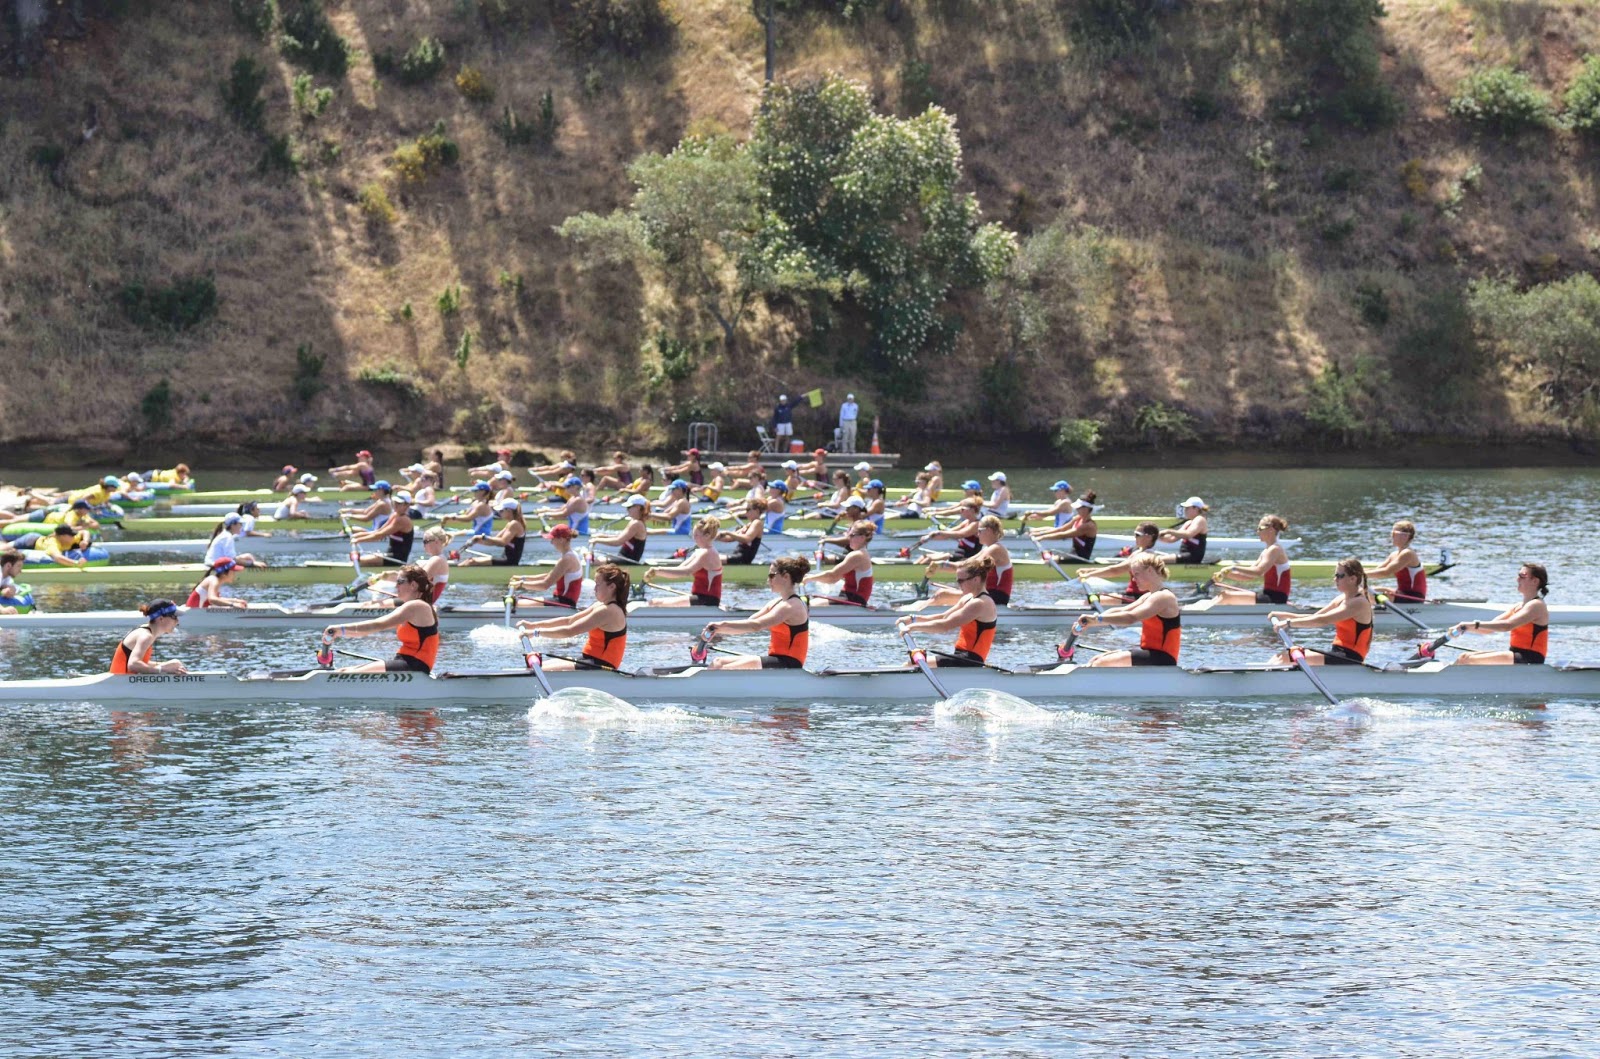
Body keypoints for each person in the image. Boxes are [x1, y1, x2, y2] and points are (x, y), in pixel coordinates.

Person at [324, 565, 439, 673]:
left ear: (413, 585)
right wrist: (340, 633)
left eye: (400, 582)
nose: (396, 586)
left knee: (344, 673)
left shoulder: (416, 606)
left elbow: (377, 625)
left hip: (415, 665)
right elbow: (364, 632)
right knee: (344, 671)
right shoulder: (412, 606)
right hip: (405, 661)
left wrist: (340, 629)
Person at [1073, 554, 1184, 667]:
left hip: (1163, 658)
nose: (1133, 579)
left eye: (1136, 574)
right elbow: (1120, 611)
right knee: (1096, 659)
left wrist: (1098, 619)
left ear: (1150, 570)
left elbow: (1130, 617)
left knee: (1100, 663)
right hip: (1150, 653)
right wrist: (1090, 622)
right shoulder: (1148, 596)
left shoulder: (1164, 597)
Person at [702, 556, 811, 669]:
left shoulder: (792, 606)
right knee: (718, 662)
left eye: (771, 576)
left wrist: (722, 625)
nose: (768, 580)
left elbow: (756, 626)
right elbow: (749, 623)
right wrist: (717, 630)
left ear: (786, 577)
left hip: (788, 664)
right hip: (775, 660)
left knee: (725, 670)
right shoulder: (775, 603)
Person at [517, 563, 631, 671]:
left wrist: (535, 633)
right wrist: (532, 625)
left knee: (536, 669)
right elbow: (569, 621)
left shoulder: (609, 611)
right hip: (589, 661)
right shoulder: (600, 605)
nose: (594, 588)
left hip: (601, 668)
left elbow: (569, 631)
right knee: (534, 668)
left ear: (611, 587)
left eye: (598, 584)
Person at [1268, 557, 1374, 666]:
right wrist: (1287, 616)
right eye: (1335, 575)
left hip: (1350, 658)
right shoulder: (1342, 598)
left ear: (1353, 579)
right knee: (1280, 656)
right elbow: (1316, 616)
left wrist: (1288, 623)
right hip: (1337, 653)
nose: (1335, 579)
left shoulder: (1358, 603)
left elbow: (1322, 620)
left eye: (1340, 576)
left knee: (1285, 658)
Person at [896, 556, 999, 666]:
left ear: (976, 579)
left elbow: (945, 625)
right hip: (960, 656)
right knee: (913, 662)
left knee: (910, 664)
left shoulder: (980, 604)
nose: (958, 585)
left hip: (971, 661)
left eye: (961, 581)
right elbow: (944, 616)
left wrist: (913, 627)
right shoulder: (968, 598)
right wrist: (913, 619)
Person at [1448, 563, 1551, 665]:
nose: (1517, 579)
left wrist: (1471, 625)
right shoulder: (1517, 606)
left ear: (1535, 581)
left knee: (1468, 660)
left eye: (1522, 576)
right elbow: (1489, 629)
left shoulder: (1537, 605)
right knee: (1464, 657)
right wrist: (1463, 629)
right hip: (1515, 655)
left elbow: (1507, 625)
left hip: (1529, 659)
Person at [923, 514, 1013, 605]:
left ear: (988, 531)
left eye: (979, 531)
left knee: (942, 595)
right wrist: (939, 564)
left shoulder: (996, 549)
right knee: (942, 594)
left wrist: (942, 564)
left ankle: (920, 614)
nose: (977, 535)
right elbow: (963, 565)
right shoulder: (987, 549)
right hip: (986, 594)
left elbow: (971, 567)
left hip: (996, 598)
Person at [643, 517, 725, 606]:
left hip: (707, 600)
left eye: (696, 535)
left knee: (656, 603)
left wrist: (657, 571)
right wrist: (656, 572)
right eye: (693, 535)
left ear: (707, 536)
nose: (694, 538)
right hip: (700, 598)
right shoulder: (700, 551)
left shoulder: (707, 553)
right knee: (654, 602)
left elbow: (686, 571)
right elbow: (680, 569)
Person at [1212, 515, 1293, 604]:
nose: (1258, 532)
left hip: (1276, 598)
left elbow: (1258, 571)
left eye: (1260, 528)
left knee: (1226, 596)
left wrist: (1233, 567)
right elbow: (1247, 576)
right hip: (1268, 596)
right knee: (1223, 594)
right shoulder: (1266, 551)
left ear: (1271, 529)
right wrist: (1225, 575)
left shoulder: (1275, 549)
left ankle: (1203, 615)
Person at [1075, 521, 1161, 604]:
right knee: (1093, 598)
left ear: (1149, 537)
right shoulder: (1137, 552)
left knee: (1090, 600)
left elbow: (1115, 571)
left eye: (1137, 535)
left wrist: (1089, 575)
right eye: (1134, 534)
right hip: (1131, 595)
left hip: (1139, 598)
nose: (1135, 537)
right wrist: (1089, 571)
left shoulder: (1145, 556)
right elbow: (1117, 568)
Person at [508, 525, 585, 609]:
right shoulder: (570, 555)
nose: (551, 542)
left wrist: (520, 584)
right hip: (560, 600)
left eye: (552, 539)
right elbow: (549, 576)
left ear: (561, 540)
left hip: (564, 603)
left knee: (514, 604)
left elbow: (545, 585)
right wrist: (522, 578)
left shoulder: (567, 559)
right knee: (516, 601)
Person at [372, 526, 452, 604]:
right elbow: (410, 578)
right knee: (372, 603)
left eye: (426, 541)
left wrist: (392, 577)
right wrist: (384, 576)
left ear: (436, 541)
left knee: (373, 604)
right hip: (417, 601)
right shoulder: (434, 560)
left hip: (420, 604)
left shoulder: (437, 560)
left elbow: (417, 581)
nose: (424, 545)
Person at [804, 520, 876, 606]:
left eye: (852, 535)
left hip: (854, 600)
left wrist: (808, 578)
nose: (849, 538)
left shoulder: (858, 555)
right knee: (812, 601)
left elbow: (832, 576)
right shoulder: (861, 554)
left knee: (809, 605)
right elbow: (835, 578)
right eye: (849, 534)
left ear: (862, 537)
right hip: (849, 597)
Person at [110, 599, 188, 675]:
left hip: (123, 681)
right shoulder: (146, 636)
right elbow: (133, 664)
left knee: (174, 664)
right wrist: (163, 669)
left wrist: (168, 665)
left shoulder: (145, 630)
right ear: (161, 618)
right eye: (174, 617)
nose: (177, 621)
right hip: (121, 684)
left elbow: (141, 663)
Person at [349, 490, 417, 566]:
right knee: (355, 559)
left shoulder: (403, 520)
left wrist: (358, 540)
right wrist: (357, 536)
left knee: (357, 561)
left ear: (406, 505)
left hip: (397, 559)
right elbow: (378, 531)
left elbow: (380, 535)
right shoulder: (394, 515)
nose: (395, 505)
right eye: (395, 502)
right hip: (389, 554)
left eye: (399, 503)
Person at [1368, 520, 1428, 602]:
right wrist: (1356, 572)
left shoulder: (1408, 554)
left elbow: (1386, 572)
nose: (1391, 536)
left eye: (1394, 533)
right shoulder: (1394, 554)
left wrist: (1360, 574)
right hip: (1402, 593)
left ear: (1405, 536)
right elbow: (1377, 571)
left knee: (1370, 592)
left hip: (1414, 597)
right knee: (1366, 592)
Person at [458, 497, 526, 566]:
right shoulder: (510, 524)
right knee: (470, 560)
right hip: (505, 558)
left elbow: (503, 542)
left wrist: (483, 537)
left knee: (471, 562)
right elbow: (494, 541)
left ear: (509, 511)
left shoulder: (514, 524)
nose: (499, 513)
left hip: (509, 561)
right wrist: (476, 540)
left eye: (501, 510)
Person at [1031, 493, 1099, 560]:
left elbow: (1064, 535)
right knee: (1047, 557)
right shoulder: (1078, 518)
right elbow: (1061, 529)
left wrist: (1042, 537)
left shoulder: (1089, 526)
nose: (1077, 510)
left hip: (1081, 558)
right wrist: (1038, 534)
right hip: (1073, 554)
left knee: (1049, 560)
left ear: (1086, 509)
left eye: (1079, 508)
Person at [916, 497, 985, 561]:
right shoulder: (966, 522)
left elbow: (960, 534)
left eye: (962, 509)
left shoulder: (976, 525)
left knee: (929, 559)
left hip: (968, 558)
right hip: (959, 553)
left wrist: (938, 532)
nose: (960, 511)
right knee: (924, 557)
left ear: (972, 510)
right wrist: (928, 537)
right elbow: (949, 533)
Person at [594, 494, 651, 563]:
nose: (627, 510)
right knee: (594, 558)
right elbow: (621, 536)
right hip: (622, 557)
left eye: (629, 507)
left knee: (595, 561)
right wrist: (602, 536)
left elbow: (618, 541)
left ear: (638, 507)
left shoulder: (636, 524)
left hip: (629, 561)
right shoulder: (633, 521)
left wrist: (597, 540)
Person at [1161, 497, 1209, 564]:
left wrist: (1168, 531)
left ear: (1196, 508)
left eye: (1187, 508)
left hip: (1193, 557)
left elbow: (1188, 534)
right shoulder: (1188, 523)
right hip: (1185, 556)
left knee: (1156, 560)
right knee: (1151, 559)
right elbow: (1171, 539)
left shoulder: (1200, 519)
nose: (1185, 510)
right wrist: (1155, 536)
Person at [719, 497, 765, 565]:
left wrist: (728, 532)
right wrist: (713, 536)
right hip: (737, 555)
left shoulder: (757, 523)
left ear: (757, 511)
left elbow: (746, 539)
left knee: (712, 559)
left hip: (743, 558)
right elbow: (729, 539)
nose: (746, 513)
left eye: (748, 510)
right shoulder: (749, 524)